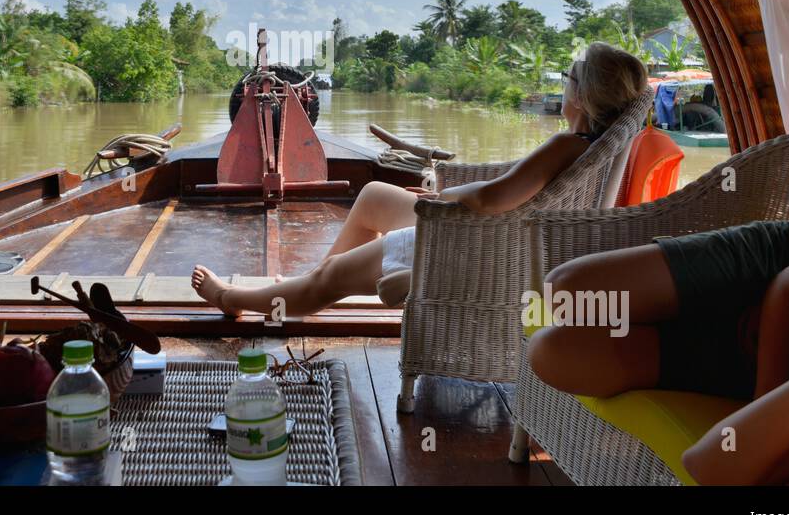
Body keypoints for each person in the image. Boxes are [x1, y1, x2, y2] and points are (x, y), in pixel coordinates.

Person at [191, 42, 648, 318]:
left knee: (328, 282)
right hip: (491, 233)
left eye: (568, 79)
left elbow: (490, 199)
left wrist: (440, 197)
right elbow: (509, 193)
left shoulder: (565, 146)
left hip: (462, 237)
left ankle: (234, 298)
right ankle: (306, 278)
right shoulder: (591, 147)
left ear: (582, 95)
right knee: (371, 195)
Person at [527, 207, 789, 485]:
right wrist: (762, 399)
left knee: (553, 353)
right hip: (768, 275)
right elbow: (788, 288)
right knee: (568, 293)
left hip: (736, 364)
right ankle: (669, 302)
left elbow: (708, 467)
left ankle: (662, 315)